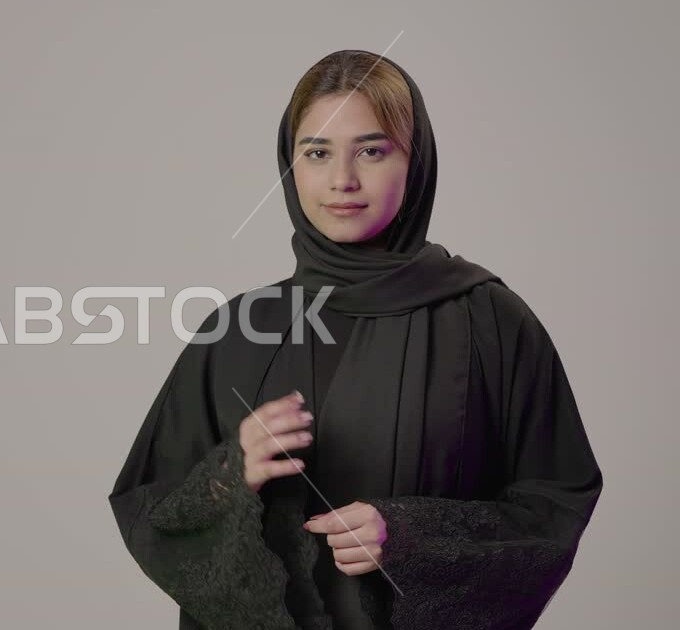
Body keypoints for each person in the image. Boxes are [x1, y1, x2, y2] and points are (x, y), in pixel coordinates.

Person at [106, 49, 603, 630]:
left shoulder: (491, 320)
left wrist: (411, 538)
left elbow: (553, 506)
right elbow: (149, 508)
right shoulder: (236, 329)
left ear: (415, 163)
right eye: (317, 153)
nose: (342, 180)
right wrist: (232, 473)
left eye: (372, 150)